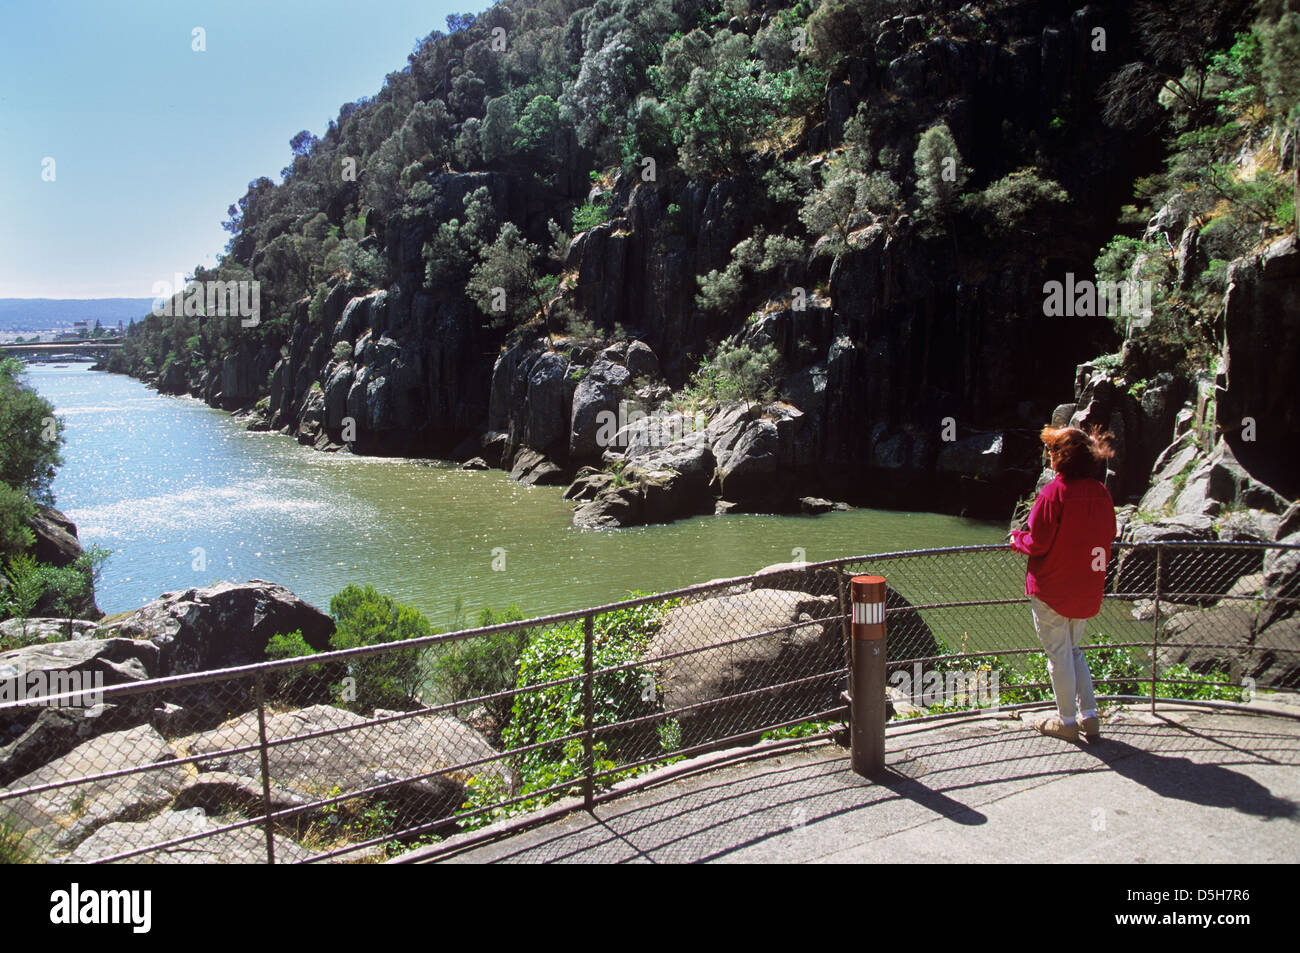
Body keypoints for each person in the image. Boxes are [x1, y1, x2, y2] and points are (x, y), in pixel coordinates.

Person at [1009, 425, 1117, 742]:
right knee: (1074, 650)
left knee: (1059, 654)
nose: (1049, 456)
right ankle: (1090, 716)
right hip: (1087, 588)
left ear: (1061, 457)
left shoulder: (1054, 494)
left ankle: (1066, 721)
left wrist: (1017, 539)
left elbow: (1038, 542)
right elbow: (1108, 536)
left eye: (1052, 451)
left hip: (1053, 589)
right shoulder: (1102, 493)